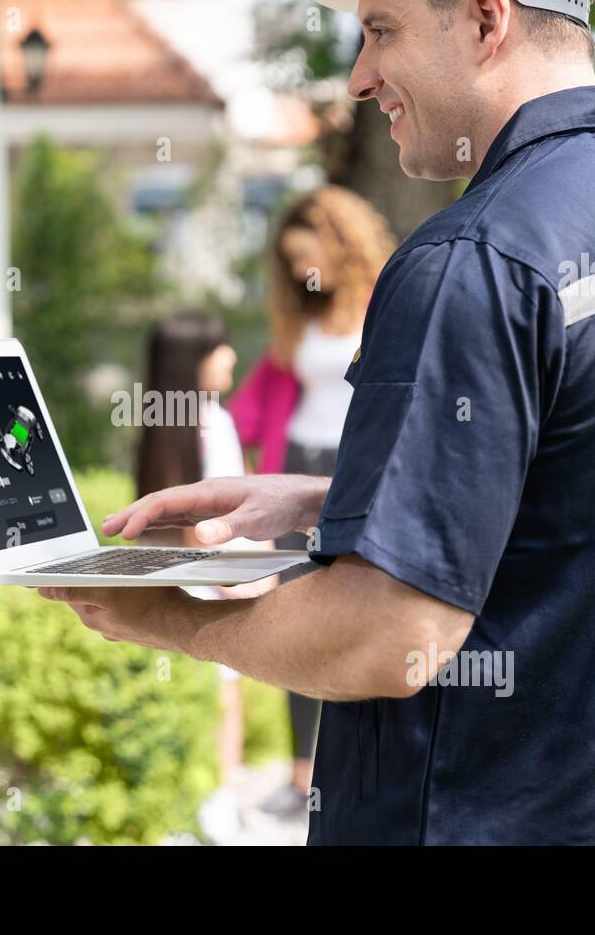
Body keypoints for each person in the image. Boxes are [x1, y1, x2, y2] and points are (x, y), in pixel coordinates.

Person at [41, 0, 595, 845]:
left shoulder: (474, 256)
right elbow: (591, 504)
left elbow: (386, 637)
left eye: (381, 30)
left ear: (488, 18)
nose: (359, 77)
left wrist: (165, 616)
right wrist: (331, 502)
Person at [226, 186, 395, 808]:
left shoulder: (387, 303)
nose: (301, 272)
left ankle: (370, 773)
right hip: (297, 466)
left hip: (358, 474)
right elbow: (247, 410)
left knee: (365, 611)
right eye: (291, 262)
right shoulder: (299, 320)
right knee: (295, 611)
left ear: (339, 243)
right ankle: (303, 777)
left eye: (308, 256)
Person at [135, 310, 275, 843]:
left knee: (188, 706)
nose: (232, 357)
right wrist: (246, 584)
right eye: (221, 348)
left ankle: (193, 813)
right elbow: (205, 527)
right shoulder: (212, 421)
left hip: (177, 581)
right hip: (212, 579)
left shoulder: (163, 421)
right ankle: (218, 810)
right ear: (195, 360)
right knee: (223, 703)